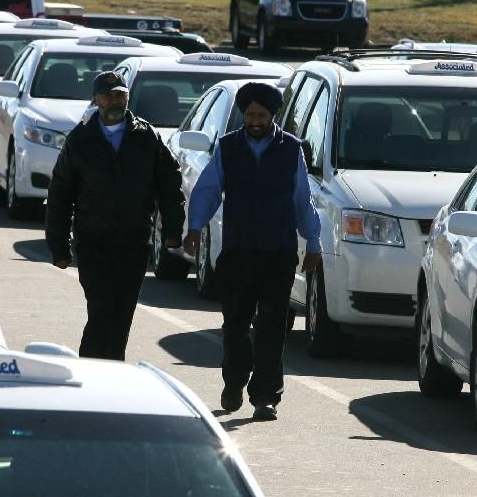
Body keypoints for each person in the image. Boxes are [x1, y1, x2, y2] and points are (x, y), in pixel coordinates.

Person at [185, 81, 321, 422]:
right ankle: (234, 381)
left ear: (272, 116)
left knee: (273, 326)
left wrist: (314, 243)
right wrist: (195, 228)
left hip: (278, 252)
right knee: (235, 325)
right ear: (243, 115)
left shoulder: (291, 149)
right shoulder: (228, 147)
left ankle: (266, 397)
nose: (255, 120)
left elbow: (302, 200)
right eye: (249, 114)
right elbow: (208, 190)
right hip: (238, 251)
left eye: (261, 114)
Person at [45, 70, 185, 361]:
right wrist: (58, 246)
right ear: (96, 100)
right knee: (100, 309)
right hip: (93, 242)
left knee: (122, 313)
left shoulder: (147, 137)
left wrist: (173, 230)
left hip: (134, 242)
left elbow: (170, 183)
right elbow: (60, 193)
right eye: (107, 95)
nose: (114, 101)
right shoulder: (81, 140)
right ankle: (91, 371)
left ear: (128, 97)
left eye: (119, 94)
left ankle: (114, 371)